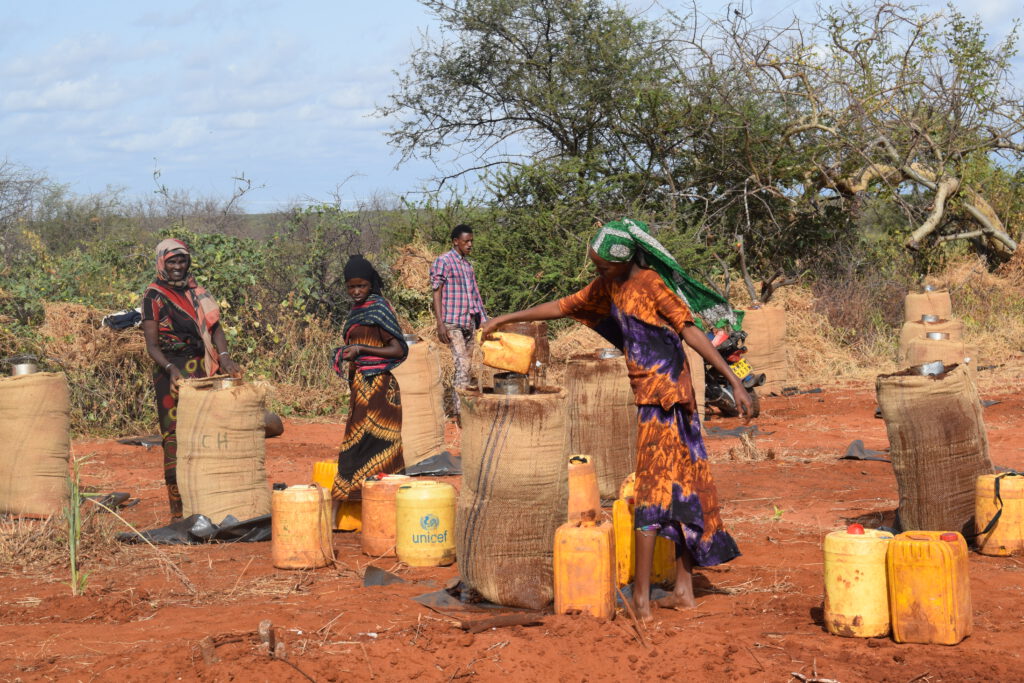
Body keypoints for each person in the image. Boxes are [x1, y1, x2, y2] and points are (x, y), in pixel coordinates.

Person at [481, 218, 752, 619]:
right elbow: (562, 306)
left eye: (603, 266)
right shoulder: (610, 284)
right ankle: (681, 589)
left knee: (658, 492)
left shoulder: (651, 285)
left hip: (669, 399)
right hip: (651, 397)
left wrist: (733, 378)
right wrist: (504, 319)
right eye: (596, 267)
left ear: (624, 261)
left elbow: (689, 331)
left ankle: (642, 599)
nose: (597, 273)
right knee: (680, 487)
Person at [142, 238, 240, 520]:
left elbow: (215, 327)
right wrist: (172, 369)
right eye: (171, 261)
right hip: (171, 370)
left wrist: (224, 356)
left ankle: (207, 496)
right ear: (162, 263)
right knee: (174, 433)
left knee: (206, 431)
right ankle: (178, 505)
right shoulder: (153, 297)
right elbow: (152, 346)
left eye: (181, 261)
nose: (177, 267)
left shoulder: (198, 292)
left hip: (203, 367)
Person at [331, 255, 409, 510]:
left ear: (371, 284)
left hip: (380, 390)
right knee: (357, 442)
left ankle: (385, 506)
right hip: (361, 387)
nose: (356, 292)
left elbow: (398, 349)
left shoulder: (378, 308)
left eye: (361, 286)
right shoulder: (357, 310)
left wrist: (361, 349)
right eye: (351, 286)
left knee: (379, 446)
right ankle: (361, 507)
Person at [430, 224, 487, 419]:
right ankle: (461, 413)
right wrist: (440, 323)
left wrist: (484, 320)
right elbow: (436, 292)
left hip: (469, 322)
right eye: (466, 241)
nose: (470, 244)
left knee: (468, 366)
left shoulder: (467, 265)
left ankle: (460, 406)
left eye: (471, 241)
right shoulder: (443, 261)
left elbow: (475, 296)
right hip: (452, 322)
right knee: (462, 364)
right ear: (456, 241)